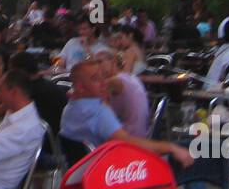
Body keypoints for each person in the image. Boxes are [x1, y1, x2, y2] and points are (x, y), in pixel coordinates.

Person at [60, 60, 193, 168]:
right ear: (80, 87)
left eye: (103, 77)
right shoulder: (99, 113)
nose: (103, 83)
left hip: (79, 173)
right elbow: (129, 144)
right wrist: (170, 147)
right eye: (95, 79)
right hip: (111, 173)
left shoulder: (69, 108)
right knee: (191, 153)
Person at [8, 51, 67, 136]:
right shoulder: (49, 85)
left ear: (20, 72)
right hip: (58, 136)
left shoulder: (30, 93)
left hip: (46, 140)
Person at [99, 53, 150, 137]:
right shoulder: (131, 77)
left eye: (100, 62)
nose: (97, 66)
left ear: (113, 61)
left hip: (129, 137)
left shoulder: (115, 81)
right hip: (139, 134)